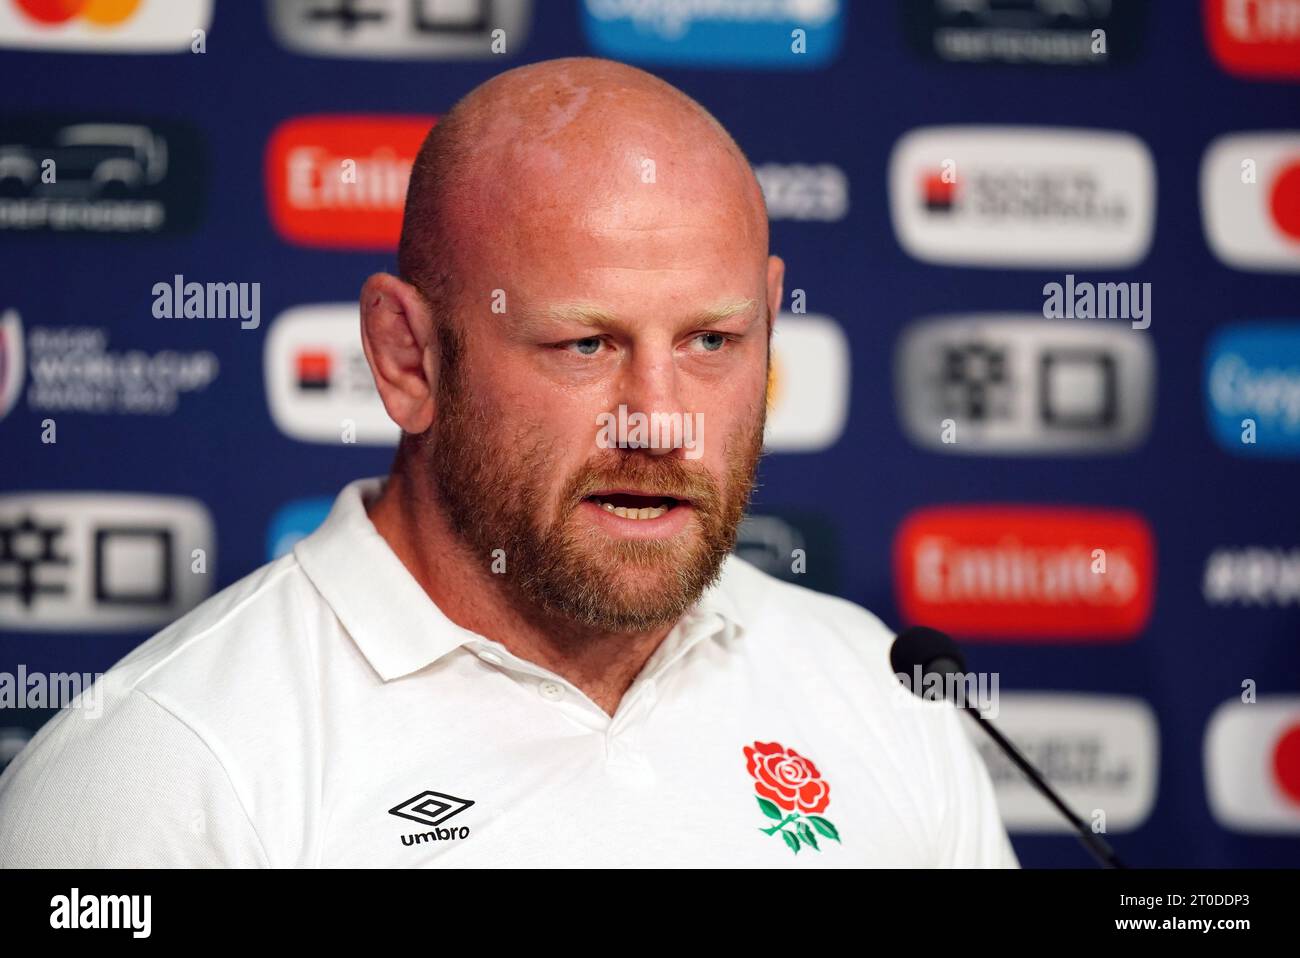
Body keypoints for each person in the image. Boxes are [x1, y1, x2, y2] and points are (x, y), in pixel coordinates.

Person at [0, 57, 1017, 867]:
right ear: (408, 356)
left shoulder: (871, 691)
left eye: (712, 341)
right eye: (586, 345)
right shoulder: (165, 770)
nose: (661, 423)